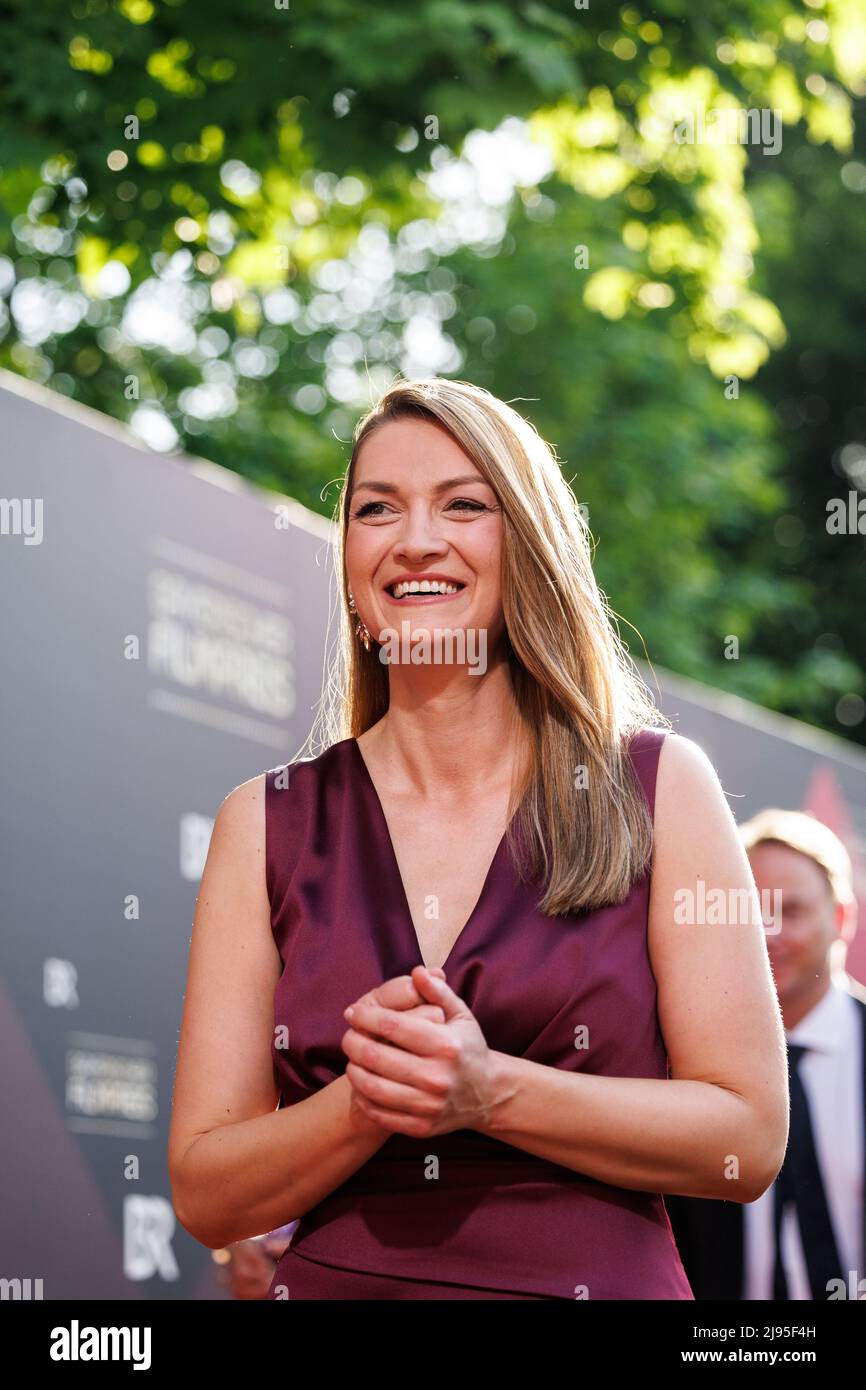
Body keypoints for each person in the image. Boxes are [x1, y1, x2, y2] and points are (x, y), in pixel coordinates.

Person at [168, 376, 788, 1300]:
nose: (416, 540)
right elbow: (207, 1193)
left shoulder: (661, 787)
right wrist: (367, 1102)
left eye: (464, 505)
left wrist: (488, 1089)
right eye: (377, 509)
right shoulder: (266, 821)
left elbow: (746, 1139)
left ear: (529, 544)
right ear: (347, 555)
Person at [666, 808, 865, 1300]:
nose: (767, 935)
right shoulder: (675, 1063)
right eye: (750, 911)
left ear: (842, 918)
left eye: (791, 911)